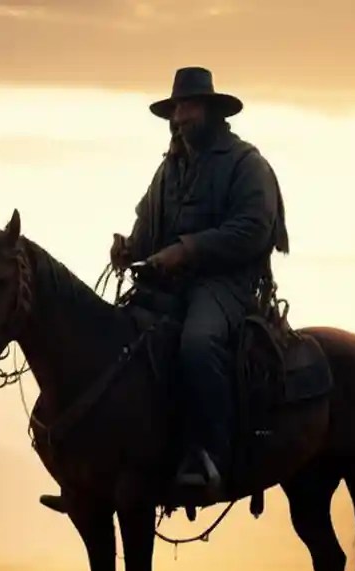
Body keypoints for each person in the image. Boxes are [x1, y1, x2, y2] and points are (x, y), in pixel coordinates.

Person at [112, 66, 289, 499]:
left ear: (211, 111)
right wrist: (128, 249)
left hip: (226, 285)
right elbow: (146, 227)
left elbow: (252, 229)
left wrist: (186, 250)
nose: (180, 117)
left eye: (188, 107)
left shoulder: (246, 164)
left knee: (198, 342)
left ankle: (210, 455)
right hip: (170, 285)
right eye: (176, 109)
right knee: (119, 338)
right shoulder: (168, 170)